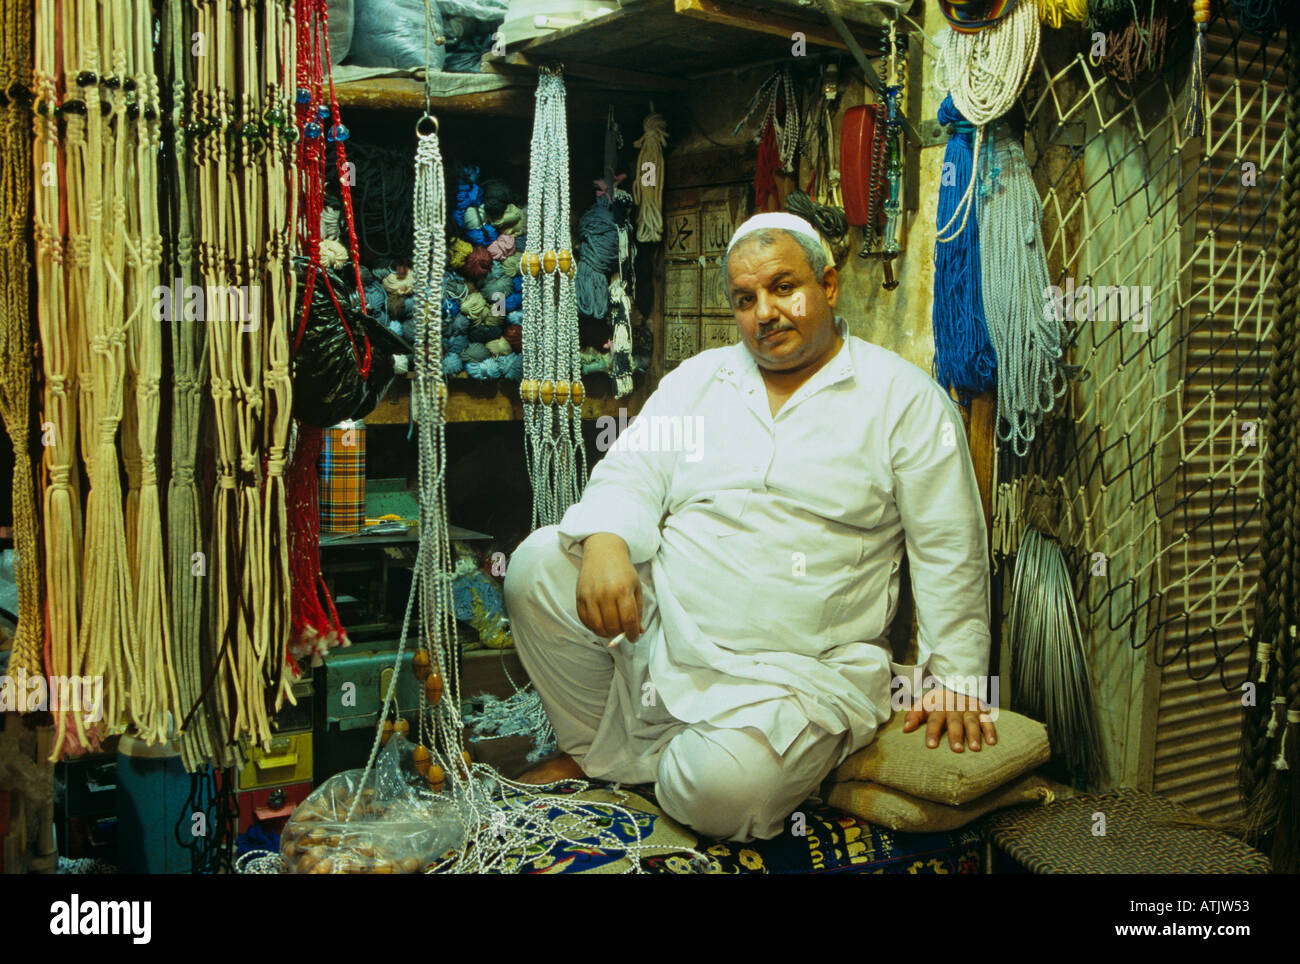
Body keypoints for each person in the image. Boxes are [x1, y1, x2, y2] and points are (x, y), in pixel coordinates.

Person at [503, 212, 995, 842]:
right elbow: (630, 471)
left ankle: (655, 763)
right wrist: (605, 540)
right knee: (539, 565)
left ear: (829, 285)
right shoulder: (700, 380)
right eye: (745, 299)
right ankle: (607, 754)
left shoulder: (904, 399)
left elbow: (949, 550)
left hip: (799, 671)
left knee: (724, 795)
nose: (764, 312)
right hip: (669, 631)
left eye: (783, 287)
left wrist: (956, 682)